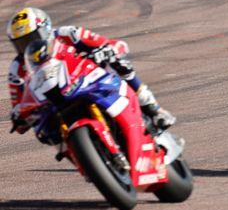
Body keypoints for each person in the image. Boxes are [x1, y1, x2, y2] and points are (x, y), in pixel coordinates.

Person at [7, 7, 175, 130]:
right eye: (21, 43)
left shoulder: (67, 34)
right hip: (54, 102)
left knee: (118, 64)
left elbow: (109, 44)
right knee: (42, 128)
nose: (29, 45)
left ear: (46, 29)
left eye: (32, 38)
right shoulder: (17, 69)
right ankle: (76, 153)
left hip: (89, 79)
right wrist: (18, 116)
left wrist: (108, 50)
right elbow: (18, 104)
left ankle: (154, 109)